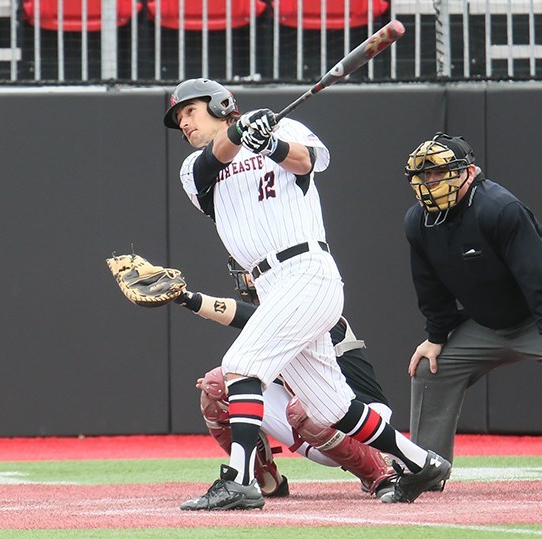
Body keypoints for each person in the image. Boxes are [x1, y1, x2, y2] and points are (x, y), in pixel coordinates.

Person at [164, 78, 450, 510]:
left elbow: (307, 162)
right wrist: (240, 134)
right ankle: (421, 462)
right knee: (332, 406)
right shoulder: (192, 168)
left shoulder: (285, 128)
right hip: (269, 283)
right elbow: (213, 161)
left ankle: (240, 481)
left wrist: (271, 144)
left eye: (190, 111)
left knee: (240, 366)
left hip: (305, 269)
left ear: (221, 103)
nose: (184, 123)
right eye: (179, 118)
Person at [402, 132, 542, 495]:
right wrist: (436, 336)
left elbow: (535, 273)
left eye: (440, 172)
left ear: (469, 173)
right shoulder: (417, 221)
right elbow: (429, 285)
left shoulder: (499, 208)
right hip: (488, 321)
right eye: (425, 175)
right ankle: (426, 467)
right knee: (432, 367)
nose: (431, 182)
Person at [174, 257, 396, 499]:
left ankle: (379, 471)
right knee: (217, 386)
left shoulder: (313, 306)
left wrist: (189, 299)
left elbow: (247, 316)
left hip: (363, 422)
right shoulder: (271, 323)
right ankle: (264, 481)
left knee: (305, 407)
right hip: (311, 420)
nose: (249, 276)